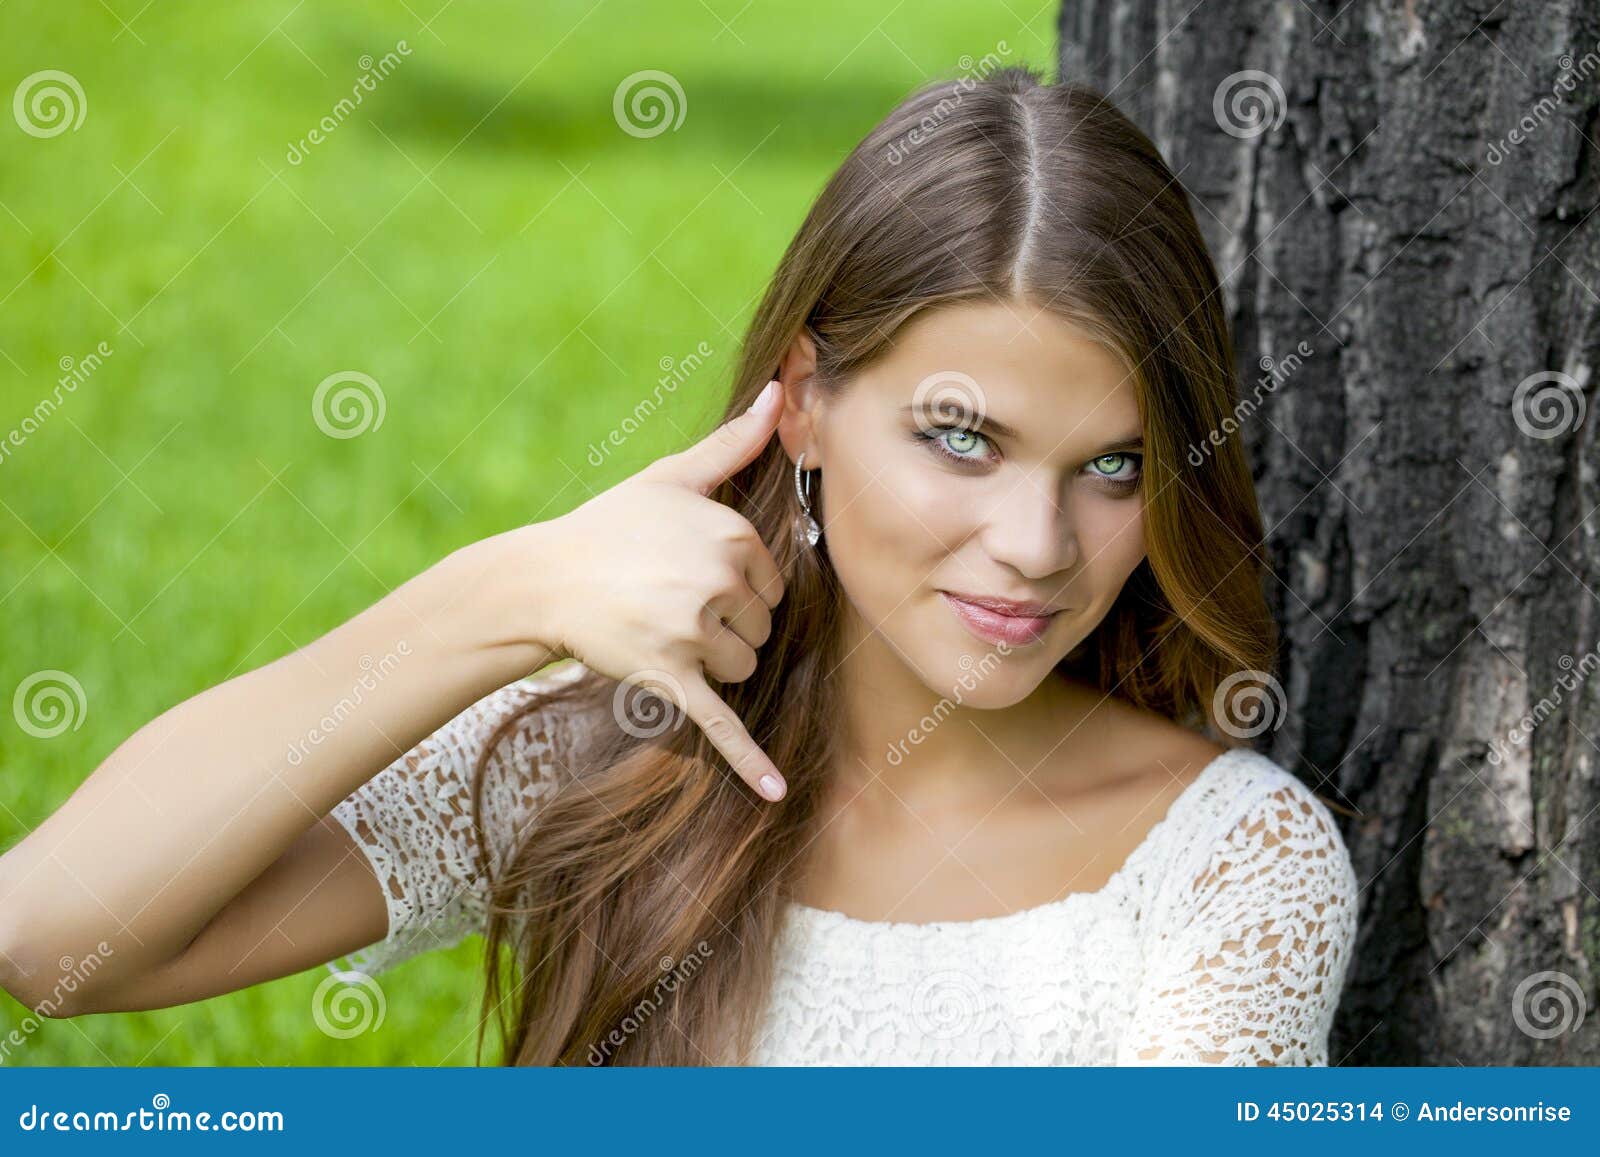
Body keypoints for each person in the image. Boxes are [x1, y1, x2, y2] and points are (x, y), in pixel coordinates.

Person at [0, 63, 1359, 1066]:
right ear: (808, 399)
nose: (1037, 544)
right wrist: (510, 591)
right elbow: (52, 935)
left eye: (1110, 465)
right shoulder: (615, 768)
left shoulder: (1232, 873)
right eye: (963, 438)